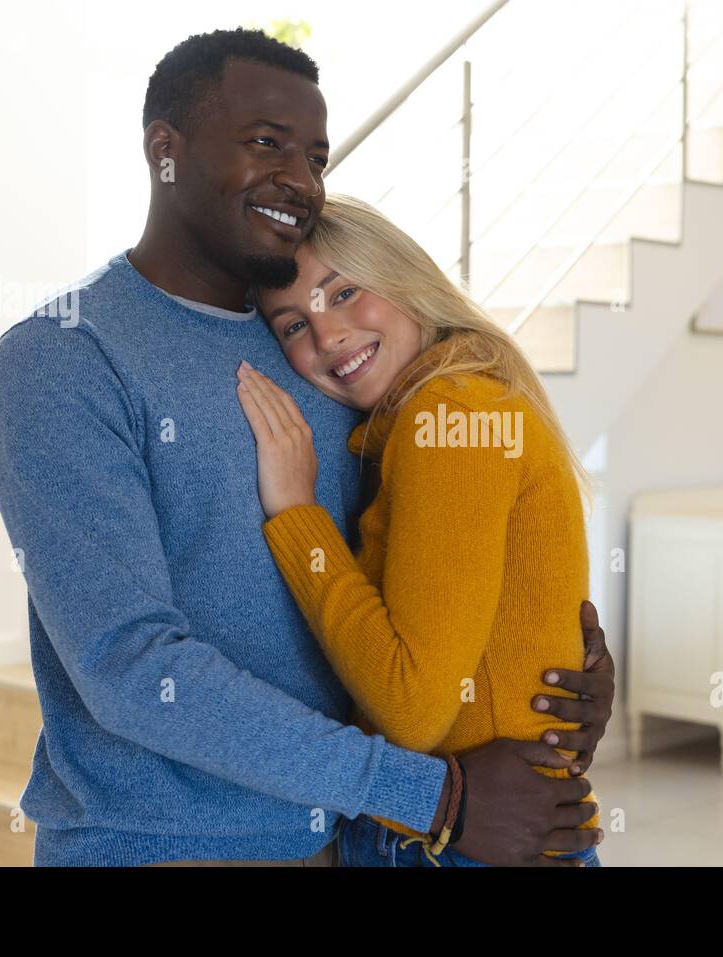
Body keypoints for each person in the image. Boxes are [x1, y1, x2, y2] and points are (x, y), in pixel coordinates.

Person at [0, 27, 612, 866]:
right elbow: (130, 668)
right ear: (165, 152)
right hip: (164, 847)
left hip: (348, 837)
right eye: (265, 143)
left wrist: (550, 676)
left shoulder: (325, 355)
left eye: (314, 157)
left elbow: (411, 578)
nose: (300, 180)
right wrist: (434, 793)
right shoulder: (63, 357)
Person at [236, 193, 602, 866]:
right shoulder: (467, 398)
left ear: (404, 276)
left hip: (453, 847)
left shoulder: (449, 411)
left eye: (344, 292)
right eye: (292, 325)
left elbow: (412, 708)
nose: (328, 335)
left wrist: (297, 515)